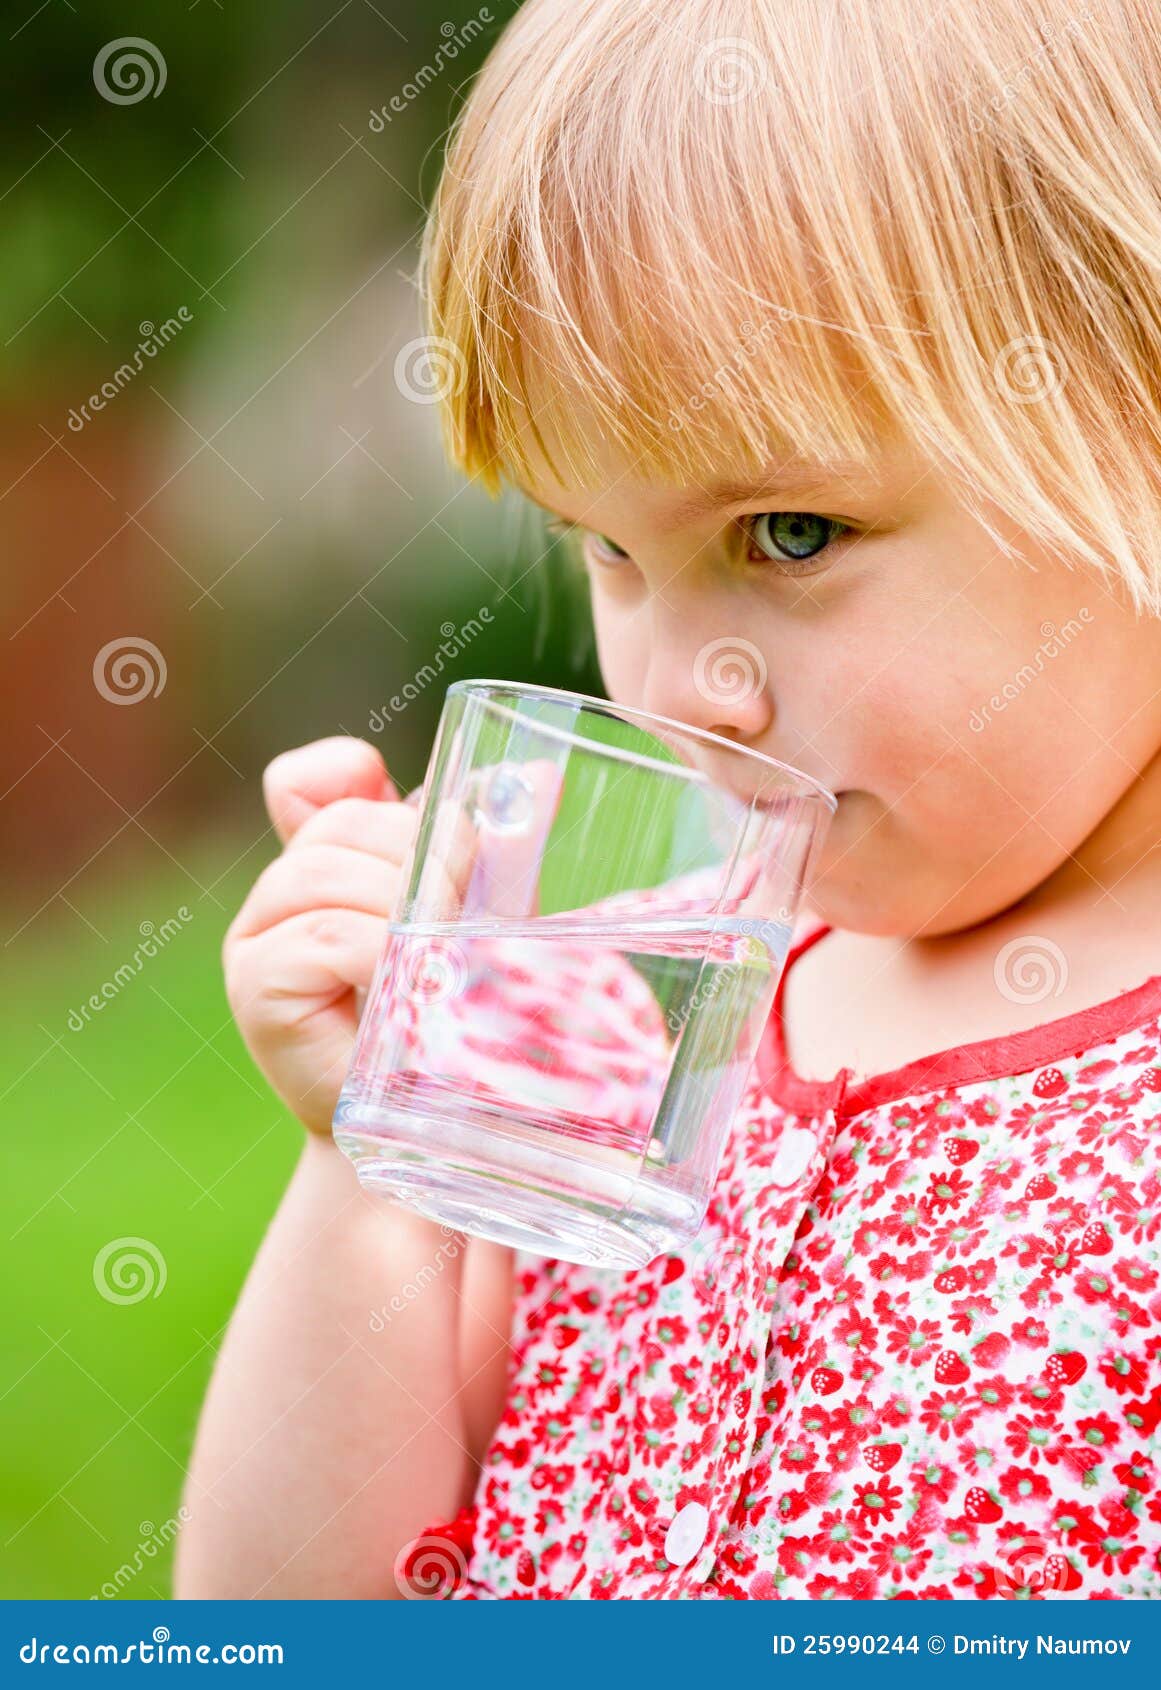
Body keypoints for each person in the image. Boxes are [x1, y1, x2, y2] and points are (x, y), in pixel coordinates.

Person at [175, 0, 1161, 1599]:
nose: (684, 686)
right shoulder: (615, 1014)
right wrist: (370, 1160)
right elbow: (293, 1622)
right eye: (606, 547)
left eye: (786, 534)